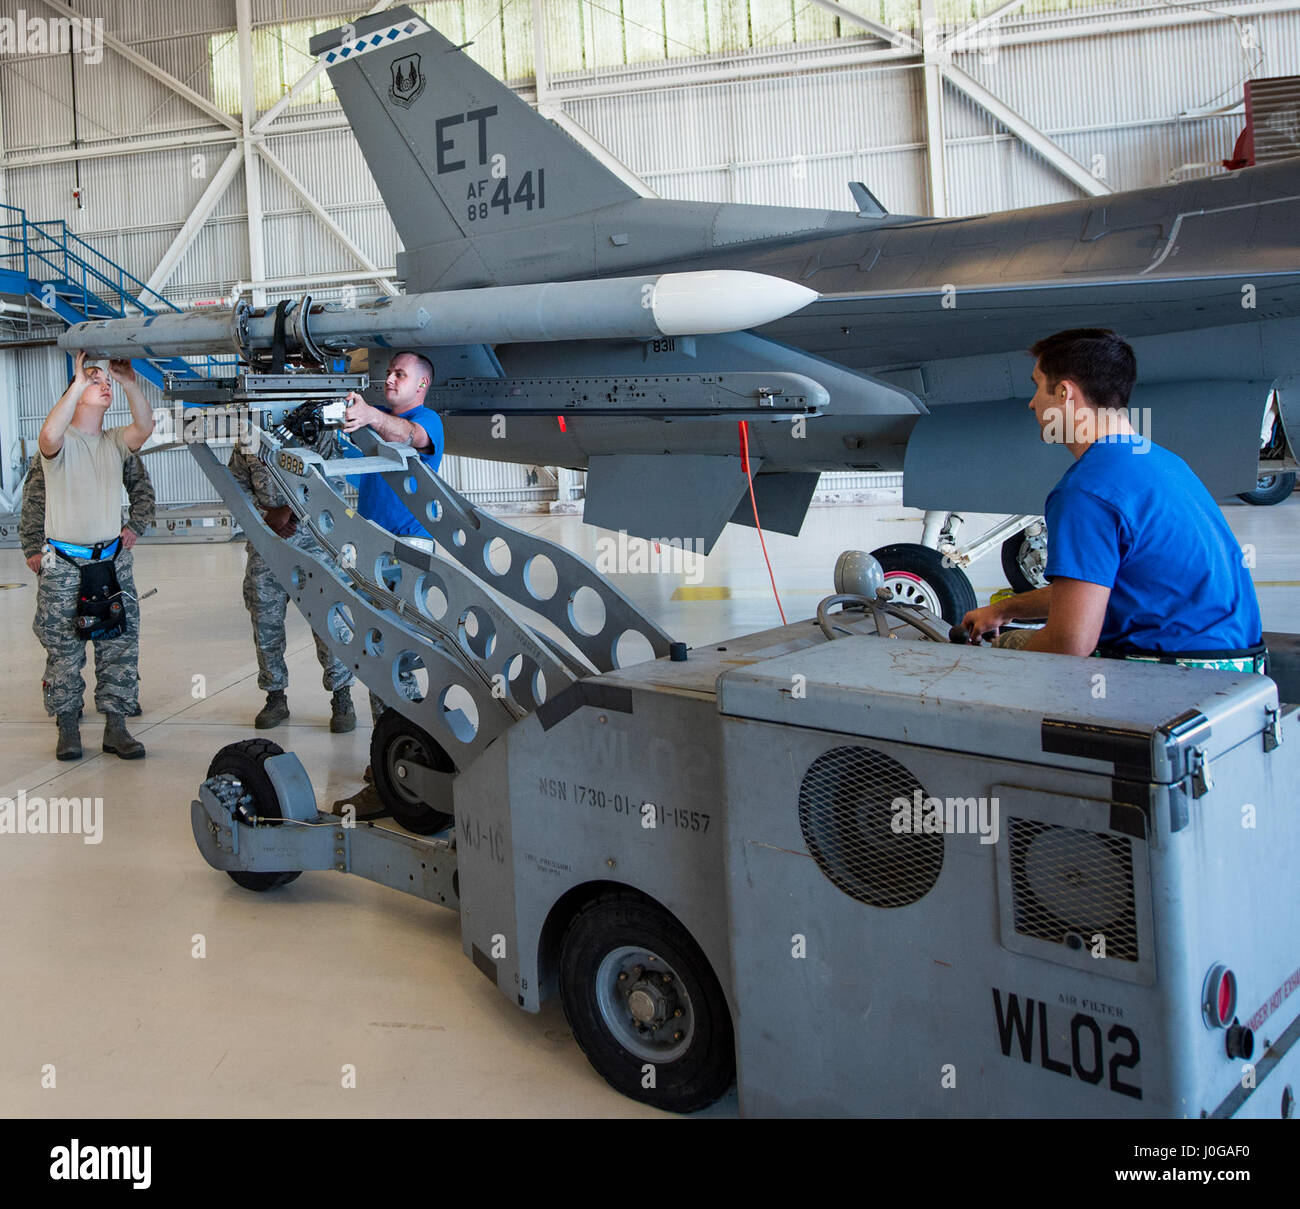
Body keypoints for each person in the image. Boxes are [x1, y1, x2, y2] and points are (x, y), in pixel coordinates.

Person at [962, 328, 1264, 671]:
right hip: (1236, 669)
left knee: (987, 661)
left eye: (1036, 385)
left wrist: (995, 674)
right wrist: (1005, 609)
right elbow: (1099, 587)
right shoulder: (1163, 462)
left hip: (1176, 678)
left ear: (1064, 393)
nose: (1032, 402)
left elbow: (1070, 643)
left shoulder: (1086, 491)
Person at [34, 352, 154, 760]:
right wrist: (78, 382)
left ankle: (116, 727)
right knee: (64, 649)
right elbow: (47, 435)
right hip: (65, 564)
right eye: (95, 381)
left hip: (110, 561)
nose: (103, 385)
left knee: (119, 644)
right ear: (75, 392)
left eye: (105, 381)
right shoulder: (60, 443)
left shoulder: (115, 441)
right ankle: (68, 726)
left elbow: (145, 427)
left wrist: (128, 382)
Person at [341, 350, 444, 727]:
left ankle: (412, 731)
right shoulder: (373, 429)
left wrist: (369, 415)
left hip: (407, 551)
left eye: (399, 374)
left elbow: (411, 436)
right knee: (374, 645)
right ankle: (392, 736)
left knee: (398, 647)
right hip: (371, 550)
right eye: (388, 373)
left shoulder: (425, 420)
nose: (389, 379)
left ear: (421, 384)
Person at [229, 431, 357, 732]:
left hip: (315, 543)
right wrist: (266, 516)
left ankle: (342, 696)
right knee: (265, 620)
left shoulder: (320, 433)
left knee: (330, 619)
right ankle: (275, 697)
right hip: (267, 542)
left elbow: (333, 482)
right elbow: (235, 484)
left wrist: (291, 513)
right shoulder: (250, 435)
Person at [22, 450, 155, 717]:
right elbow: (35, 499)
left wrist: (136, 525)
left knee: (118, 634)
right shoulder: (53, 448)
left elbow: (141, 486)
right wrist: (32, 547)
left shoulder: (115, 446)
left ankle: (118, 706)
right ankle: (66, 713)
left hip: (109, 555)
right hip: (63, 558)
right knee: (63, 640)